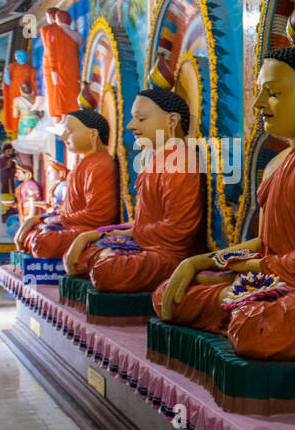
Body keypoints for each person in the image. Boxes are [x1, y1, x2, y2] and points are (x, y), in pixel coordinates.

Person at [153, 0, 295, 362]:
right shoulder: (278, 164)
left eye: (274, 93)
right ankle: (236, 300)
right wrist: (203, 262)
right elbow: (265, 243)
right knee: (166, 293)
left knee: (260, 327)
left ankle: (238, 303)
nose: (258, 105)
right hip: (274, 284)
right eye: (259, 93)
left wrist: (243, 271)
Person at [63, 76, 204, 292]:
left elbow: (178, 231)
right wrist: (96, 235)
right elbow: (143, 222)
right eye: (132, 119)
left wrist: (123, 236)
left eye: (140, 119)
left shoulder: (182, 161)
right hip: (146, 246)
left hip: (168, 255)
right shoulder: (156, 160)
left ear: (172, 121)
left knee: (108, 269)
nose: (130, 126)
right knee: (89, 252)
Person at [15, 102, 118, 259]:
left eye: (69, 132)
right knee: (35, 233)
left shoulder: (101, 165)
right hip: (72, 227)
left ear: (93, 134)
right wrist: (41, 219)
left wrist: (57, 219)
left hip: (90, 231)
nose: (63, 137)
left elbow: (100, 215)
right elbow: (69, 211)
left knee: (42, 242)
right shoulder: (80, 165)